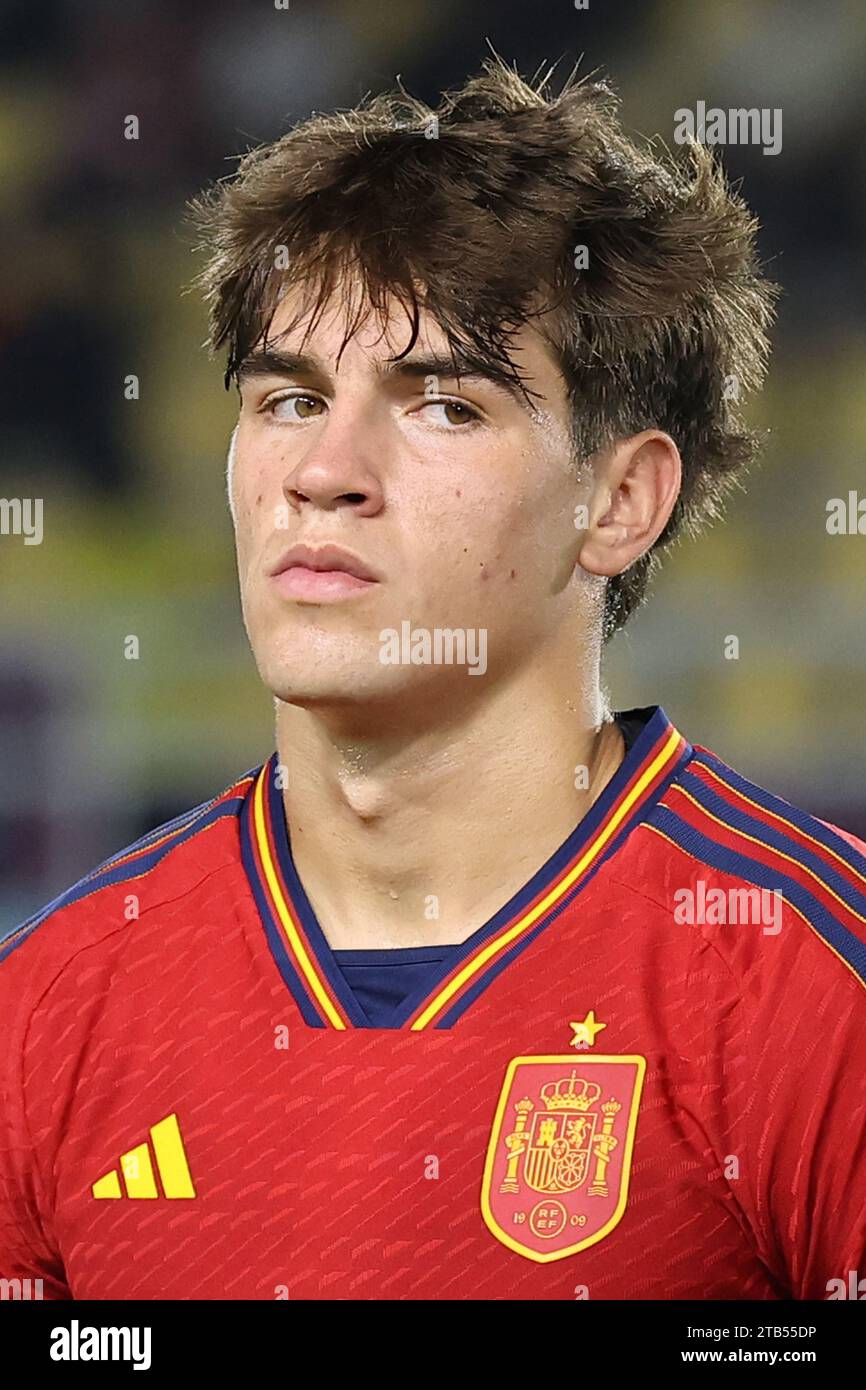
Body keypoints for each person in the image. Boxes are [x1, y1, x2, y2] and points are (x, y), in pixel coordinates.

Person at [2, 58, 864, 1301]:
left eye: (443, 406)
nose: (323, 471)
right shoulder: (49, 1007)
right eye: (289, 397)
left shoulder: (805, 985)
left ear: (617, 501)